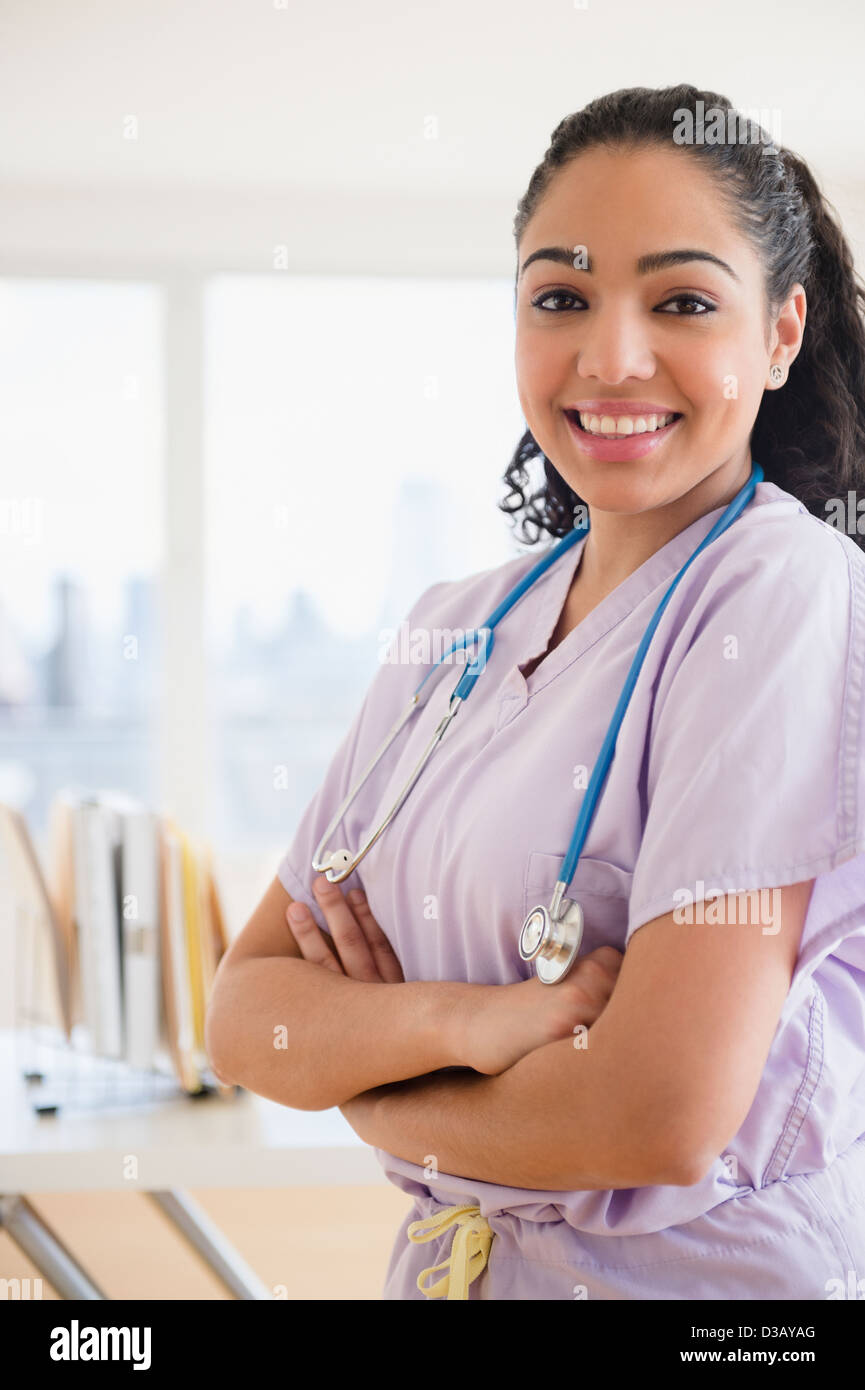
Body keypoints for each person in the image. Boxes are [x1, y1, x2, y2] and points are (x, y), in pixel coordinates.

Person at [206, 83, 865, 1300]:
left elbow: (656, 1112)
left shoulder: (781, 593)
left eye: (680, 300)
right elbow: (248, 1016)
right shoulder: (457, 624)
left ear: (779, 333)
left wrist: (371, 1094)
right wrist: (468, 1027)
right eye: (561, 297)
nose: (610, 356)